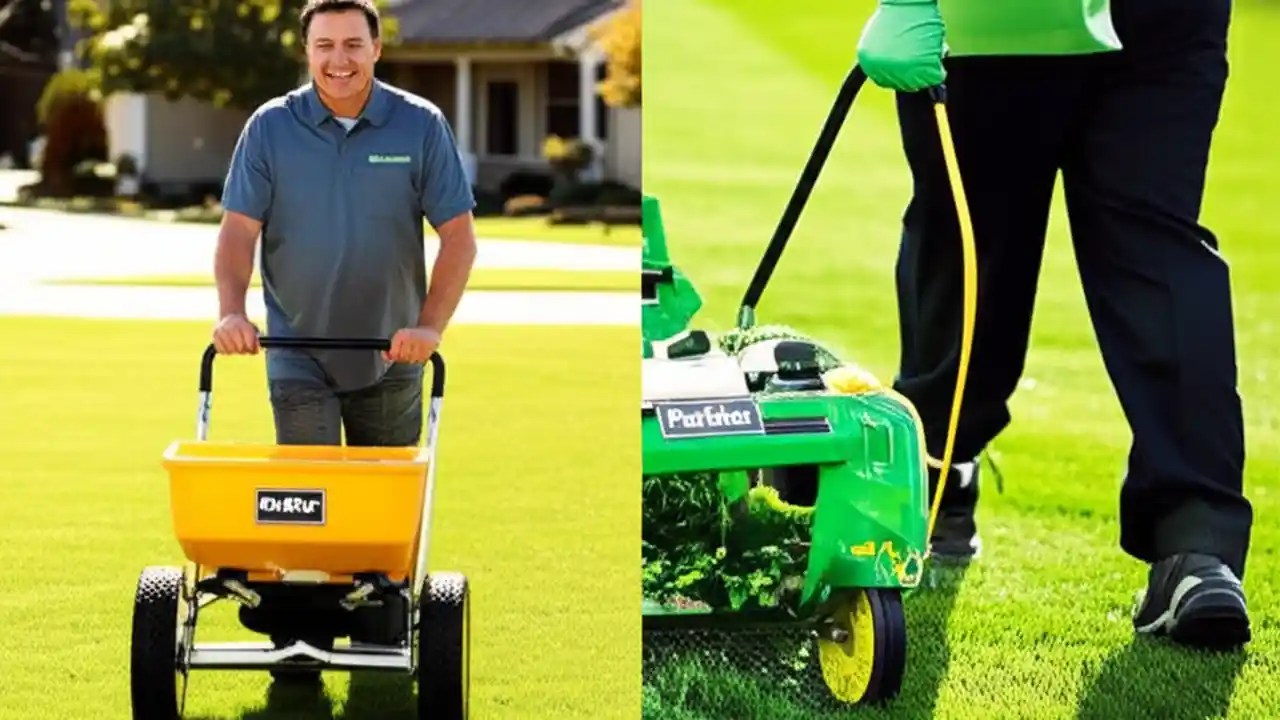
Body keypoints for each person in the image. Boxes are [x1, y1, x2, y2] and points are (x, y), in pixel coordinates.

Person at [857, 0, 1252, 650]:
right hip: (1140, 21)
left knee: (972, 244)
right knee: (1155, 252)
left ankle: (939, 473)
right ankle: (1195, 544)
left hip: (1004, 24)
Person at [210, 0, 477, 678]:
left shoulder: (420, 125)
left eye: (353, 44)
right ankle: (297, 645)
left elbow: (459, 238)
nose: (339, 60)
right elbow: (239, 233)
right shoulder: (270, 128)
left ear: (377, 48)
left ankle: (382, 632)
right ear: (306, 51)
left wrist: (428, 327)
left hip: (393, 356)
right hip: (296, 351)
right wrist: (232, 311)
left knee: (383, 522)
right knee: (309, 505)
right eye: (325, 45)